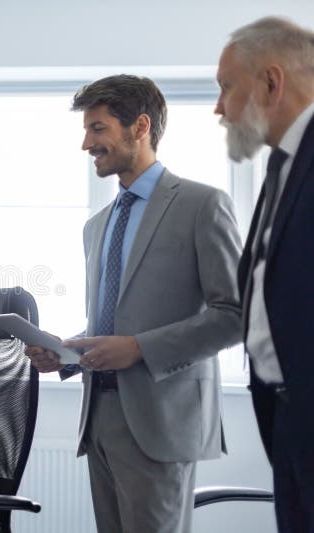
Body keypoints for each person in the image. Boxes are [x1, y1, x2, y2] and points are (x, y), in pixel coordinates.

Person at [25, 75, 242, 532]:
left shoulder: (203, 205)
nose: (87, 143)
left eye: (98, 128)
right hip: (99, 419)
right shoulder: (97, 225)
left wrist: (140, 347)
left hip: (162, 422)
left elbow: (235, 315)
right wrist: (66, 356)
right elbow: (111, 320)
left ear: (140, 126)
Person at [215, 17, 314, 532]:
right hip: (286, 421)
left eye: (226, 88)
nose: (218, 107)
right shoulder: (283, 166)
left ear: (271, 82)